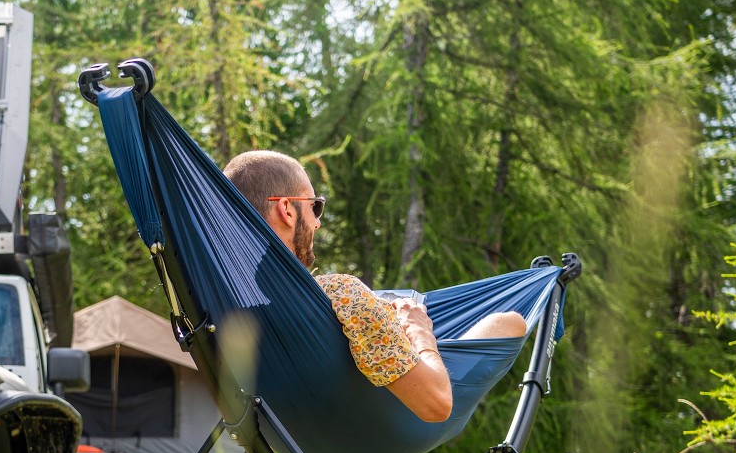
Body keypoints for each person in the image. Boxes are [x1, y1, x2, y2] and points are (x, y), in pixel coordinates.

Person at [222, 150, 526, 423]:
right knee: (508, 321)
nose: (317, 223)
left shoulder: (223, 301)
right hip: (389, 428)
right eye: (315, 207)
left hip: (300, 443)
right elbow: (438, 404)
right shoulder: (341, 295)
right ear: (287, 210)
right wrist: (418, 330)